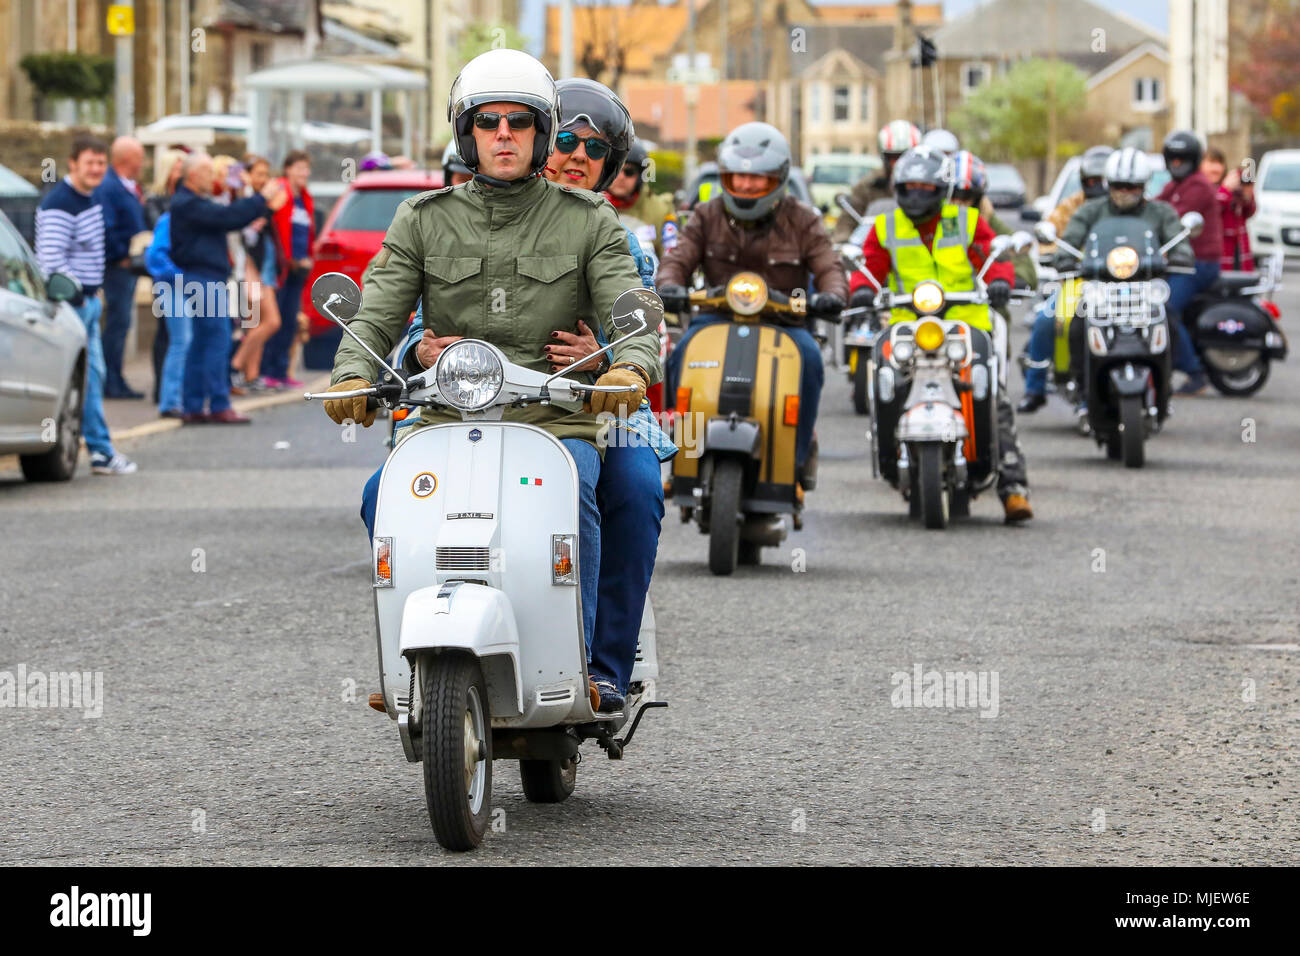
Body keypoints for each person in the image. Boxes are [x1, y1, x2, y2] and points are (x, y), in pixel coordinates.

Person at [323, 49, 662, 714]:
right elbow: (379, 307)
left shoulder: (589, 218)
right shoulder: (423, 218)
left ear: (537, 133)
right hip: (452, 417)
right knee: (379, 496)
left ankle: (590, 660)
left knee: (583, 495)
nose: (503, 134)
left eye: (519, 122)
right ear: (467, 134)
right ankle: (409, 661)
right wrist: (353, 377)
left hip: (558, 417)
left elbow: (630, 305)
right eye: (488, 122)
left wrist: (625, 364)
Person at [657, 121, 847, 490]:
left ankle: (797, 453)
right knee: (678, 358)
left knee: (810, 361)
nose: (745, 187)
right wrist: (668, 284)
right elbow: (677, 259)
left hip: (786, 323)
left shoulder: (804, 219)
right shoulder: (706, 214)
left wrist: (833, 294)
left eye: (756, 180)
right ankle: (681, 457)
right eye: (735, 179)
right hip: (715, 317)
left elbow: (829, 266)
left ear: (778, 179)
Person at [848, 145, 1032, 522]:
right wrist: (862, 287)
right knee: (884, 378)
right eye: (908, 186)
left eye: (925, 187)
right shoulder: (885, 225)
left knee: (992, 393)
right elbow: (870, 266)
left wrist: (999, 282)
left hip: (966, 322)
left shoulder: (965, 221)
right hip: (906, 324)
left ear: (941, 190)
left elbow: (992, 257)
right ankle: (890, 454)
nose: (916, 195)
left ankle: (1012, 486)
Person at [34, 134, 138, 475]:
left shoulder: (89, 199)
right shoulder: (60, 204)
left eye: (100, 163)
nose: (96, 169)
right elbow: (49, 261)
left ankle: (98, 451)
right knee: (86, 380)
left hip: (89, 303)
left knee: (93, 378)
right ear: (73, 163)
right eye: (89, 162)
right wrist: (78, 295)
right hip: (73, 306)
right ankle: (98, 451)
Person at [1055, 147, 1193, 394]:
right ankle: (1083, 387)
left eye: (1133, 187)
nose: (1125, 192)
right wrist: (1064, 257)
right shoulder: (1092, 210)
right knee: (1077, 327)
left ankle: (1164, 383)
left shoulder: (1160, 212)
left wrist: (1181, 255)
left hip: (1145, 287)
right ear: (1109, 184)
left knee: (1170, 321)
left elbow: (1179, 241)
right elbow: (1070, 238)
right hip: (1100, 287)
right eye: (1119, 186)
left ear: (1144, 186)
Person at [170, 152, 286, 423]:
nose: (213, 178)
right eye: (208, 172)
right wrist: (261, 198)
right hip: (202, 278)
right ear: (193, 175)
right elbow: (229, 217)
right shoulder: (188, 203)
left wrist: (260, 204)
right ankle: (218, 403)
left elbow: (230, 215)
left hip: (205, 278)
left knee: (202, 343)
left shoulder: (192, 202)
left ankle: (194, 406)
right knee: (217, 340)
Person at [1019, 145, 1112, 413]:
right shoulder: (1070, 205)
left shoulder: (1125, 206)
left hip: (1119, 283)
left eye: (1104, 181)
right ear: (1084, 182)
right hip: (1078, 281)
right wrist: (1059, 256)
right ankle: (1034, 389)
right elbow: (1048, 242)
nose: (1099, 186)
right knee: (1048, 321)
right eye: (1093, 181)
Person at [1156, 129, 1223, 395]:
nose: (1176, 164)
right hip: (1181, 263)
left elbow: (1169, 219)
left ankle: (1195, 373)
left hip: (1200, 264)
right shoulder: (1175, 185)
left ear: (1194, 159)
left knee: (1165, 308)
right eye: (1172, 159)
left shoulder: (1197, 186)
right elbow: (1152, 208)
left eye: (1181, 159)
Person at [93, 136, 148, 399]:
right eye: (140, 156)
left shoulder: (128, 186)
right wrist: (120, 255)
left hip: (129, 267)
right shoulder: (109, 187)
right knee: (117, 323)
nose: (143, 162)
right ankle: (109, 380)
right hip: (117, 267)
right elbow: (106, 226)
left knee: (121, 323)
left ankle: (116, 377)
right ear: (127, 158)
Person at [229, 154, 284, 392]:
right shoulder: (246, 201)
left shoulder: (257, 201)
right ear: (247, 175)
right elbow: (244, 238)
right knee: (272, 322)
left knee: (257, 323)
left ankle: (251, 375)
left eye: (265, 175)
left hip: (265, 267)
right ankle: (235, 365)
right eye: (258, 175)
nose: (264, 180)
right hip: (252, 270)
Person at [262, 150, 315, 390]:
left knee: (290, 321)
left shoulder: (305, 198)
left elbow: (307, 233)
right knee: (275, 319)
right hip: (281, 268)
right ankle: (268, 370)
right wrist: (290, 259)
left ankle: (282, 370)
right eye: (300, 168)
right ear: (288, 169)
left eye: (306, 168)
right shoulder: (280, 192)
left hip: (299, 269)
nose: (304, 173)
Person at [144, 148, 188, 407]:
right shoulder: (160, 205)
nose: (181, 173)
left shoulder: (177, 203)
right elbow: (156, 252)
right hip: (170, 282)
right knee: (170, 337)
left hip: (178, 280)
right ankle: (166, 394)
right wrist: (182, 274)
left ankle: (170, 395)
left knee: (178, 338)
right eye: (177, 167)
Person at [832, 119, 921, 242]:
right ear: (884, 158)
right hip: (874, 253)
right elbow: (847, 222)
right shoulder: (868, 185)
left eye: (905, 156)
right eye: (893, 157)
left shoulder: (929, 187)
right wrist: (843, 243)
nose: (899, 163)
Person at [605, 137, 678, 264]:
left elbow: (671, 258)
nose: (621, 177)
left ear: (640, 176)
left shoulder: (660, 209)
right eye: (616, 170)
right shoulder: (591, 205)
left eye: (629, 172)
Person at [1202, 146, 1256, 272]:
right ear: (1200, 165)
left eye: (1219, 163)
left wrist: (1247, 194)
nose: (1216, 168)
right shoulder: (1201, 189)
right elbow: (1211, 211)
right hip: (1218, 256)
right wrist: (1225, 189)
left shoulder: (1232, 189)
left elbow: (1250, 212)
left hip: (1239, 254)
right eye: (1211, 163)